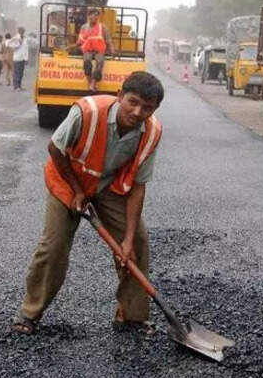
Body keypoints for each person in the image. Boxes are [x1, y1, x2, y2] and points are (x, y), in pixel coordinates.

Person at [13, 72, 165, 336]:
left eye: (147, 108)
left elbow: (138, 187)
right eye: (133, 102)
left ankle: (132, 316)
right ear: (120, 96)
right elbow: (55, 148)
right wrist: (77, 191)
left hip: (107, 187)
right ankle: (29, 313)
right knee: (55, 244)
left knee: (138, 242)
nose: (138, 112)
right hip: (67, 182)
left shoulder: (151, 132)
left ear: (155, 109)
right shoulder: (88, 112)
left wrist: (126, 239)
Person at [76, 8, 113, 92]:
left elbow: (109, 40)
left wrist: (112, 51)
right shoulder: (84, 27)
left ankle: (93, 83)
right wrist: (72, 47)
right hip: (87, 50)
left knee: (100, 62)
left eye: (97, 15)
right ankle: (89, 83)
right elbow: (80, 40)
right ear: (88, 16)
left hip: (99, 51)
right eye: (93, 14)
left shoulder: (103, 27)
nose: (95, 17)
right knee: (87, 62)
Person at [11, 26, 30, 91]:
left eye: (23, 30)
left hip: (23, 58)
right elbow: (12, 47)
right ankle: (16, 86)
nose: (22, 31)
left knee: (21, 73)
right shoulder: (15, 38)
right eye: (21, 30)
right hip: (17, 58)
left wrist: (26, 59)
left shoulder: (25, 38)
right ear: (18, 31)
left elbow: (26, 49)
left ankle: (19, 86)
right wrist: (19, 43)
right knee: (16, 72)